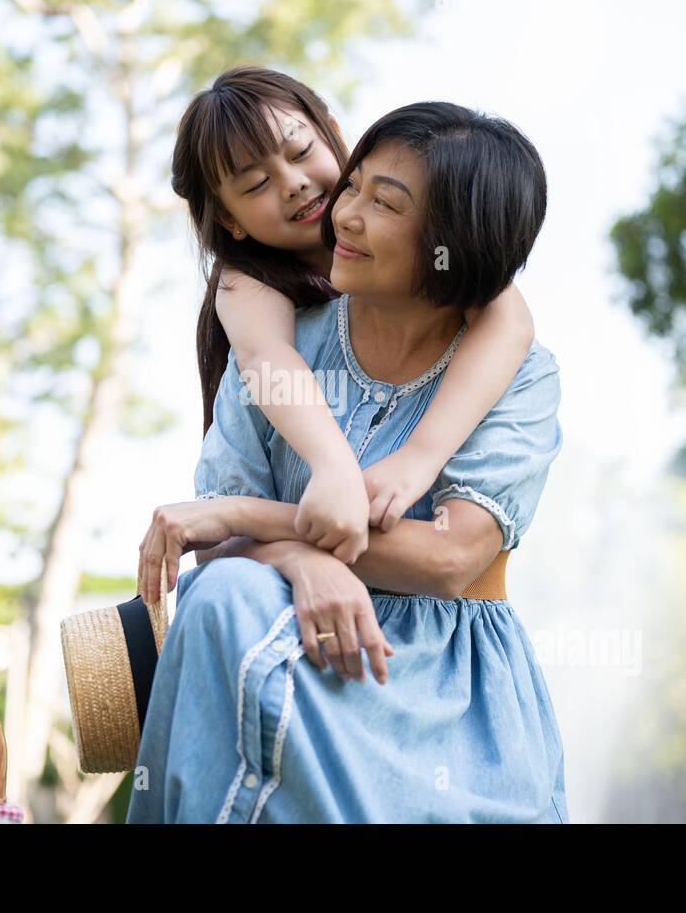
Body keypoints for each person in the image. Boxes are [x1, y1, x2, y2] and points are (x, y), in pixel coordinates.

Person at [128, 101, 567, 823]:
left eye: (382, 201)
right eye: (354, 187)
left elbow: (451, 557)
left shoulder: (515, 366)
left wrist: (249, 515)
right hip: (293, 642)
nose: (341, 212)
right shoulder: (266, 334)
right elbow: (218, 551)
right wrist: (306, 560)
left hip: (445, 687)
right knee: (225, 594)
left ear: (453, 241)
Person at [175, 66, 535, 570]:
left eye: (301, 153)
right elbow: (268, 359)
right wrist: (333, 467)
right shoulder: (247, 285)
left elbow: (510, 323)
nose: (294, 184)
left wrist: (419, 459)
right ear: (230, 219)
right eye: (256, 184)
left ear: (333, 132)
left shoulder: (417, 222)